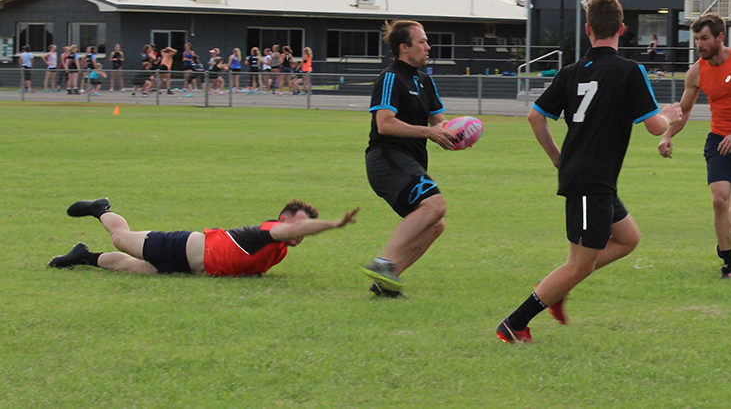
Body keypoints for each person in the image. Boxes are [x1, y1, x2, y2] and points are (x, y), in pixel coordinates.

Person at [496, 0, 682, 343]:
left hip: (594, 179)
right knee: (579, 264)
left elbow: (535, 116)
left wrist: (556, 156)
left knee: (628, 239)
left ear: (587, 29)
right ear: (623, 29)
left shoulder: (570, 72)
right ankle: (514, 323)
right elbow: (655, 126)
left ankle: (556, 287)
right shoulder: (630, 71)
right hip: (589, 181)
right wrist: (669, 115)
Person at [657, 13, 731, 280]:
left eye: (705, 38)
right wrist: (667, 136)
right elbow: (683, 112)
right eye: (697, 39)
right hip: (719, 141)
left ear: (720, 37)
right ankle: (728, 265)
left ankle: (726, 237)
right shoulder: (696, 72)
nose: (699, 44)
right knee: (719, 199)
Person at [358, 20, 458, 298]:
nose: (428, 47)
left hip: (409, 161)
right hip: (387, 159)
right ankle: (383, 263)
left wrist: (458, 133)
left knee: (435, 224)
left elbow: (440, 121)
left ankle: (385, 284)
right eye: (422, 42)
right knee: (435, 205)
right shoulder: (391, 77)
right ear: (404, 48)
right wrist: (430, 132)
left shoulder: (425, 80)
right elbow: (384, 124)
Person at [48, 197, 358, 276]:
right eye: (300, 226)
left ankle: (82, 256)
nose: (301, 234)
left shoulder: (279, 250)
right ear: (284, 221)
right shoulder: (268, 231)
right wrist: (332, 224)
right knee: (121, 239)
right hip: (184, 247)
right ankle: (101, 209)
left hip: (193, 267)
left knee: (128, 267)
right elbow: (291, 231)